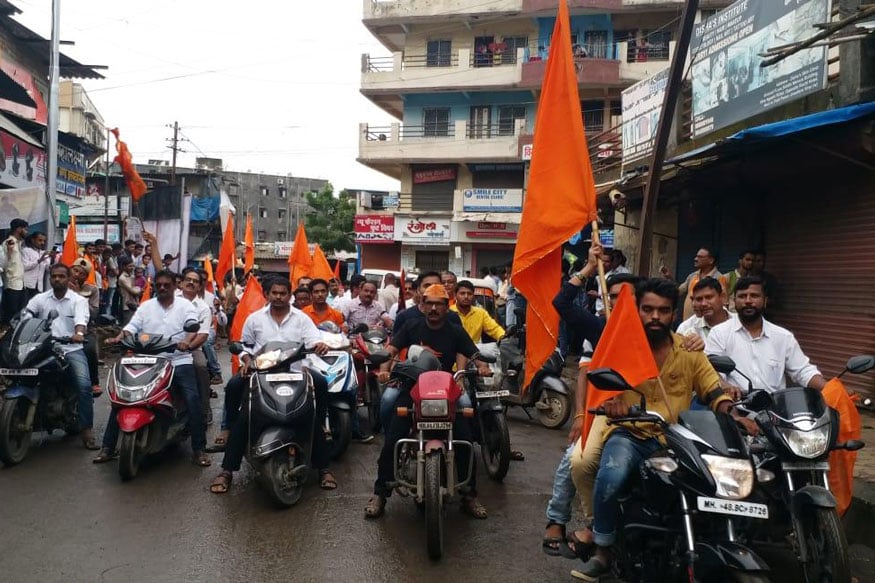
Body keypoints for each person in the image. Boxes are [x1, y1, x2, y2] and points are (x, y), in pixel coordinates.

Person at [572, 278, 755, 580]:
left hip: (677, 438)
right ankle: (603, 548)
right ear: (638, 310)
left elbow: (712, 390)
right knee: (610, 476)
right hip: (632, 434)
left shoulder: (689, 349)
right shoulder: (623, 346)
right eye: (648, 309)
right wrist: (613, 402)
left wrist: (732, 414)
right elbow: (602, 385)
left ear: (673, 314)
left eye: (663, 310)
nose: (655, 317)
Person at [364, 284, 491, 520]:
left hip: (446, 392)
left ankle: (469, 495)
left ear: (446, 306)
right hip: (413, 390)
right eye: (429, 303)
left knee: (464, 439)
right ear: (422, 305)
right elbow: (391, 349)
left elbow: (472, 352)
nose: (433, 308)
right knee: (393, 439)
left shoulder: (454, 329)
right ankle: (380, 493)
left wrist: (482, 366)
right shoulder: (412, 326)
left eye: (439, 304)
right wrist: (384, 369)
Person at [209, 276, 338, 494]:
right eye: (274, 293)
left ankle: (323, 467)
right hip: (261, 372)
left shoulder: (302, 319)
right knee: (238, 400)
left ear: (290, 295)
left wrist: (320, 345)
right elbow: (244, 346)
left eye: (283, 293)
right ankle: (226, 465)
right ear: (267, 295)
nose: (278, 297)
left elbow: (313, 340)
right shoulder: (255, 319)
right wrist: (247, 360)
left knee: (316, 396)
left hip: (296, 371)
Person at [543, 272, 637, 557]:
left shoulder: (660, 331)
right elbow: (561, 303)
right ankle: (574, 522)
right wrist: (581, 416)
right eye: (614, 296)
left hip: (647, 417)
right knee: (575, 459)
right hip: (603, 414)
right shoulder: (601, 329)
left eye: (627, 296)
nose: (620, 302)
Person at [94, 270, 211, 466]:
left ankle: (199, 449)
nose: (163, 288)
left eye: (167, 285)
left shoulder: (186, 306)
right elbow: (132, 327)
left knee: (192, 399)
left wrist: (186, 342)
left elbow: (193, 328)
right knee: (123, 397)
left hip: (178, 359)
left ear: (175, 285)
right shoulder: (146, 306)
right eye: (159, 285)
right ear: (155, 286)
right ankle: (107, 447)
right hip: (147, 359)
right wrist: (119, 337)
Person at [705, 276, 824, 393]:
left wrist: (827, 387)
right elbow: (713, 373)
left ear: (765, 301)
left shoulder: (783, 336)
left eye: (754, 296)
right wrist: (726, 387)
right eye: (742, 296)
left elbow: (803, 371)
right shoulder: (719, 333)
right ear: (734, 301)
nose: (748, 301)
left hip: (775, 409)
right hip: (735, 407)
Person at [24, 264, 97, 449]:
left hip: (71, 348)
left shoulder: (77, 300)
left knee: (84, 386)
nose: (57, 279)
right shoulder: (40, 299)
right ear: (50, 278)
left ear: (68, 278)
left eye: (61, 276)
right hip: (44, 348)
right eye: (54, 276)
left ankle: (86, 430)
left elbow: (81, 321)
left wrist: (79, 333)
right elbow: (27, 316)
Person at [177, 268, 213, 426]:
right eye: (188, 279)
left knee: (200, 367)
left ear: (199, 286)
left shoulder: (203, 308)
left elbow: (203, 335)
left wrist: (187, 347)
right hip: (163, 349)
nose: (191, 283)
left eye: (195, 281)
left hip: (191, 350)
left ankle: (204, 411)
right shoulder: (169, 300)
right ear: (182, 282)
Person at [665, 246, 728, 320]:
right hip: (688, 322)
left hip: (707, 323)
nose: (695, 259)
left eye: (700, 257)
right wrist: (669, 277)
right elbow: (679, 291)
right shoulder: (692, 276)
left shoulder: (719, 278)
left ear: (711, 260)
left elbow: (723, 304)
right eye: (696, 256)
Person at [676, 277, 734, 342]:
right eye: (699, 299)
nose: (703, 304)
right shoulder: (685, 328)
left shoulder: (741, 322)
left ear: (722, 297)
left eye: (709, 297)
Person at [0, 218, 28, 325]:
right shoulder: (8, 243)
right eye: (25, 229)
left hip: (21, 284)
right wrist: (9, 252)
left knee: (19, 314)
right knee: (10, 315)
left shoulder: (19, 244)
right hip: (12, 284)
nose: (26, 232)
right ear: (18, 229)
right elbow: (4, 264)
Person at [21, 231, 52, 299]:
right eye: (40, 240)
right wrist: (39, 260)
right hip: (27, 285)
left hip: (39, 286)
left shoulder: (44, 252)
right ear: (33, 240)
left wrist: (52, 259)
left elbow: (47, 268)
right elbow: (25, 266)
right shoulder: (26, 251)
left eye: (44, 241)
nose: (42, 243)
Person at [116, 257, 141, 325]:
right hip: (127, 304)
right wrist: (139, 289)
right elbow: (133, 291)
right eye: (130, 266)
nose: (132, 268)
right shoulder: (122, 278)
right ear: (124, 266)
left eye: (133, 266)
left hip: (134, 303)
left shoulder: (132, 276)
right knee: (127, 324)